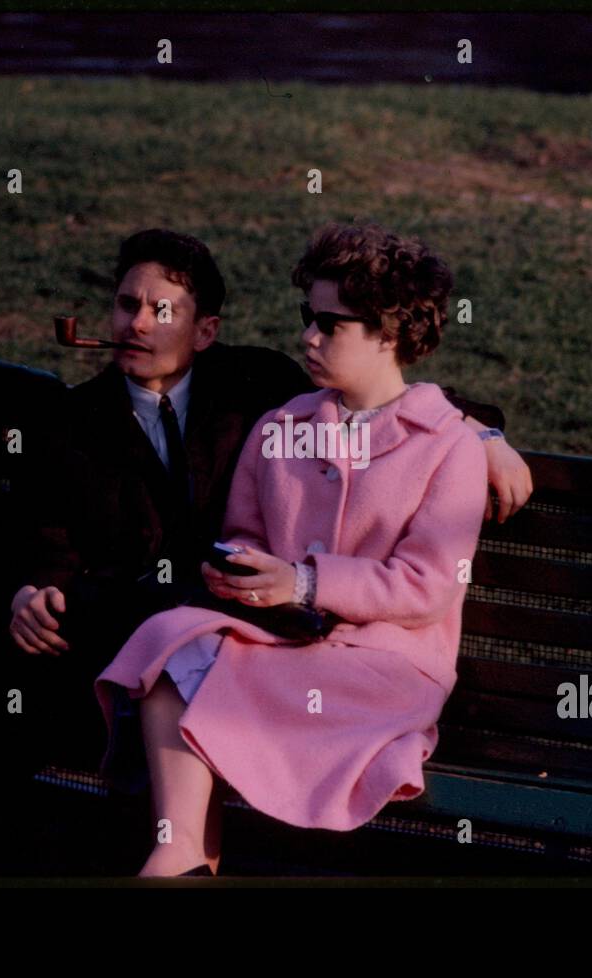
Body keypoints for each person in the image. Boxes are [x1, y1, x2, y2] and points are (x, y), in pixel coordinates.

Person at [0, 229, 532, 855]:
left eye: (163, 311)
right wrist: (31, 589)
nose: (138, 325)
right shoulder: (73, 420)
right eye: (126, 305)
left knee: (142, 639)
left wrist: (483, 433)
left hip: (241, 614)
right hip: (151, 612)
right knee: (87, 635)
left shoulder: (258, 387)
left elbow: (384, 394)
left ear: (205, 329)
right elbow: (42, 531)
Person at [96, 222, 492, 877]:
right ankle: (181, 849)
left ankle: (191, 858)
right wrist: (243, 576)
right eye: (309, 317)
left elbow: (428, 587)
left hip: (385, 665)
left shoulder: (448, 446)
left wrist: (305, 583)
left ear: (388, 335)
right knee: (172, 640)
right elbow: (247, 536)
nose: (309, 336)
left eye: (331, 325)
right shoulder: (282, 426)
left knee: (213, 674)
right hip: (282, 640)